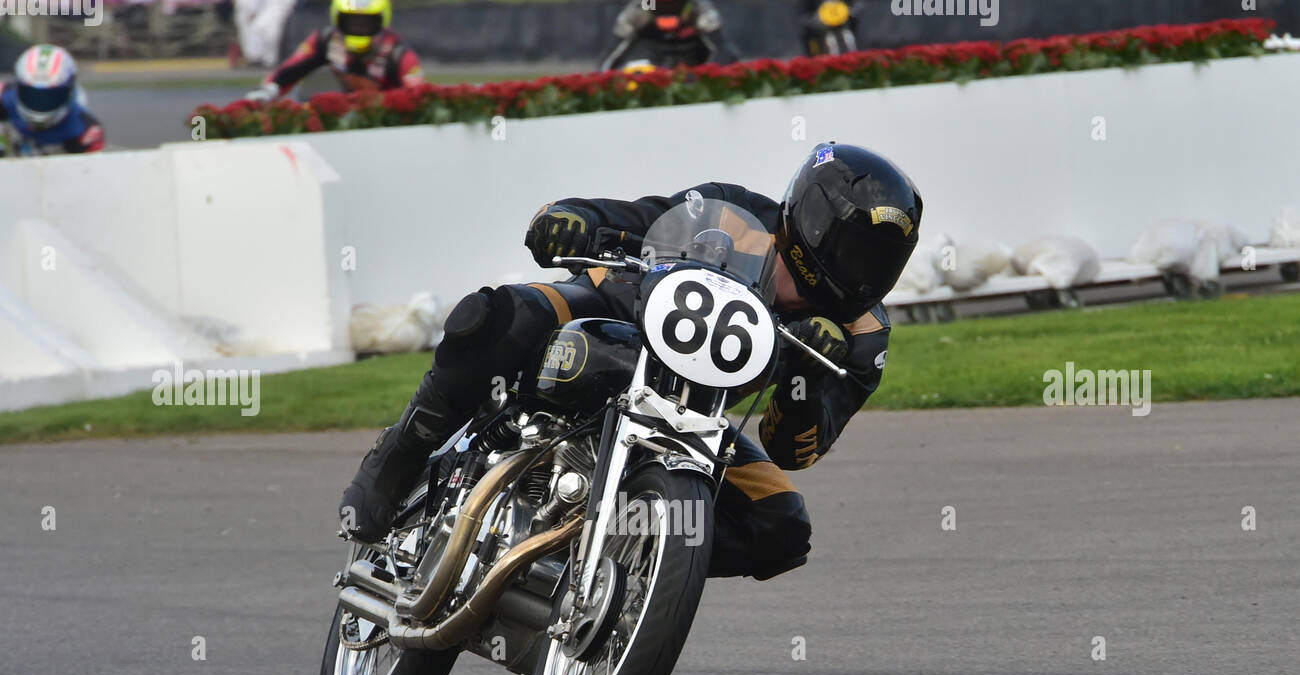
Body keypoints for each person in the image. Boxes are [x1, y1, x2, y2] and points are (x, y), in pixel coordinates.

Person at [339, 143, 922, 581]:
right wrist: (575, 217)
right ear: (814, 219)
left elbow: (795, 449)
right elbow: (642, 219)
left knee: (781, 525)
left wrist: (809, 377)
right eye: (855, 250)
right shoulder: (735, 213)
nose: (863, 272)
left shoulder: (863, 335)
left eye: (881, 261)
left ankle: (628, 552)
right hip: (612, 316)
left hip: (699, 414)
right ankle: (401, 451)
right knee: (498, 316)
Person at [246, 0, 423, 101]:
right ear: (338, 20)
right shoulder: (326, 40)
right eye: (352, 22)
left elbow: (420, 95)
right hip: (343, 114)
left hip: (388, 123)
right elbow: (289, 71)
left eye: (365, 23)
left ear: (381, 21)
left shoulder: (397, 53)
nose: (359, 28)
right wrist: (268, 90)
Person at [0, 45, 104, 157]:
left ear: (68, 92)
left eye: (49, 97)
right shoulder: (4, 99)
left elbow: (87, 171)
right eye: (33, 95)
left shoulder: (85, 130)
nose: (40, 103)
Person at [602, 0, 735, 70]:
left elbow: (723, 51)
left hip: (692, 70)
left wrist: (705, 76)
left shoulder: (699, 8)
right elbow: (611, 56)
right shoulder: (640, 8)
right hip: (649, 76)